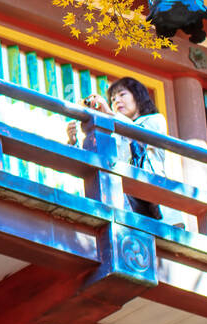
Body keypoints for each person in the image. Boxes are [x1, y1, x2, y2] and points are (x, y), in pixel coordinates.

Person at [67, 77, 167, 220]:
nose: (117, 101)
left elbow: (138, 135)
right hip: (125, 202)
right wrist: (73, 140)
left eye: (122, 94)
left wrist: (109, 114)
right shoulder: (114, 131)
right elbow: (93, 158)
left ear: (138, 96)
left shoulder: (155, 120)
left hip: (153, 199)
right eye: (113, 99)